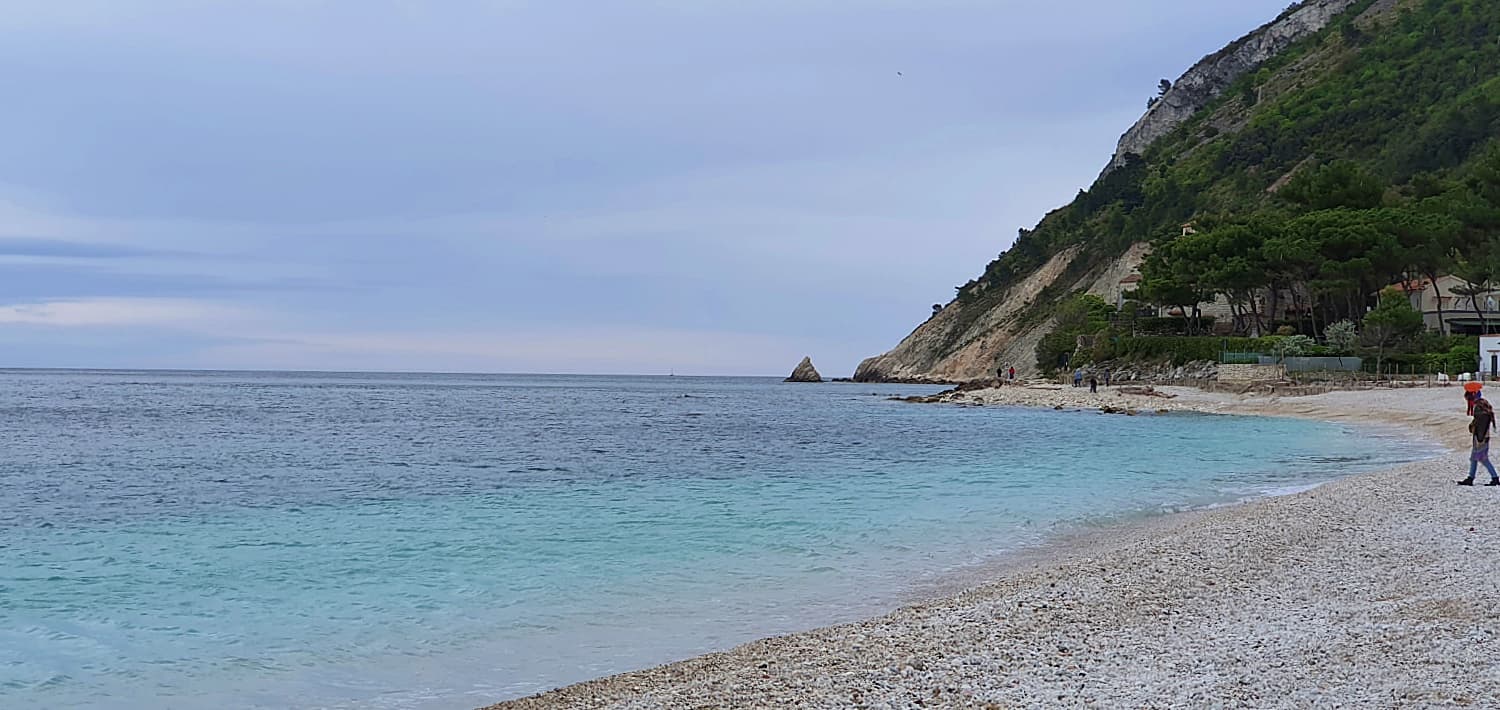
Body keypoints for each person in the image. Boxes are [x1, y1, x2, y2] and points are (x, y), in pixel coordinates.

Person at [1460, 396, 1500, 486]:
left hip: (1480, 440)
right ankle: (1471, 478)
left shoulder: (1482, 416)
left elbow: (1480, 430)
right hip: (1482, 439)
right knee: (1475, 459)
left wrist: (1479, 439)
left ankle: (1494, 478)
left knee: (1483, 459)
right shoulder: (1486, 415)